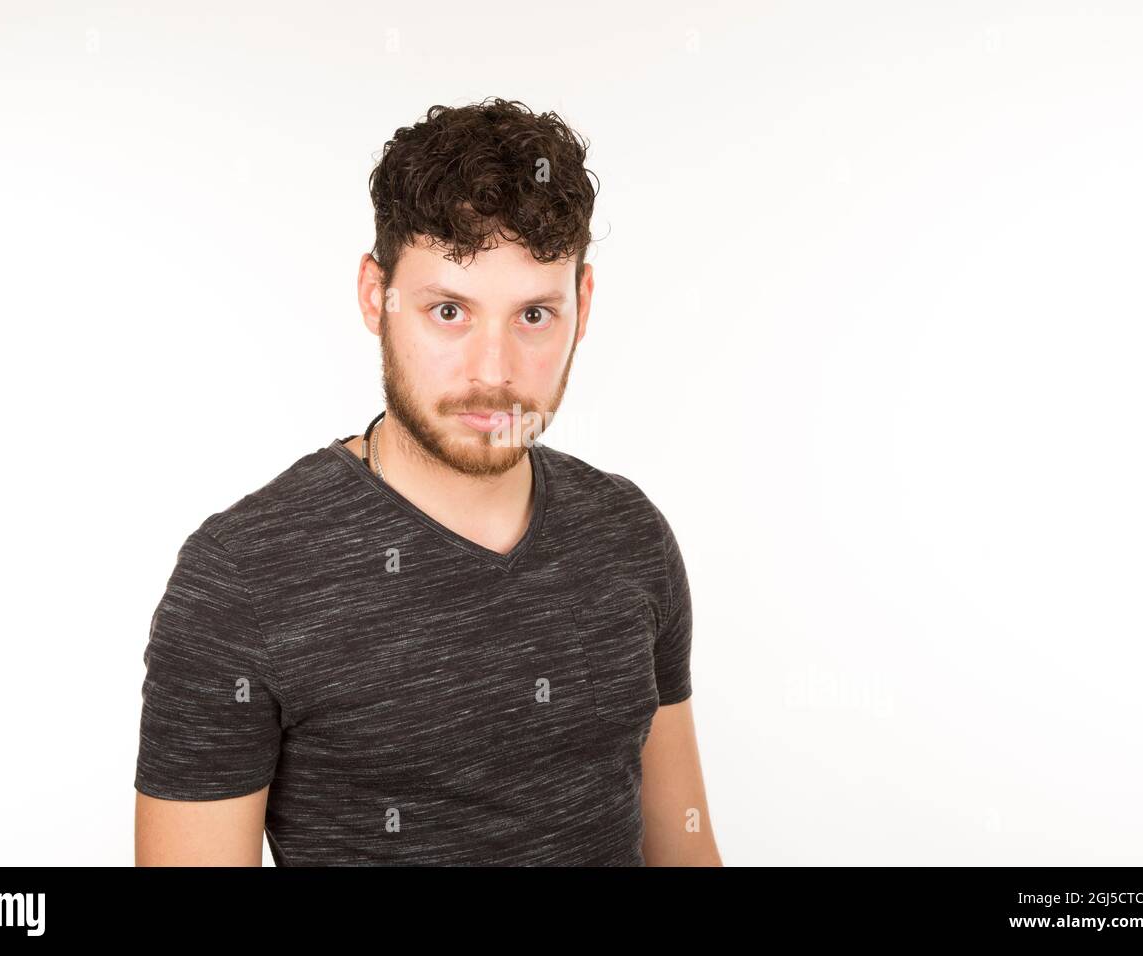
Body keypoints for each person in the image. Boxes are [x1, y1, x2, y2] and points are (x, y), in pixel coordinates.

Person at [134, 97, 721, 866]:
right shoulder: (242, 577)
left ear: (582, 304)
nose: (494, 371)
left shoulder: (630, 534)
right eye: (450, 310)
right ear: (376, 297)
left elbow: (686, 849)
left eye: (534, 316)